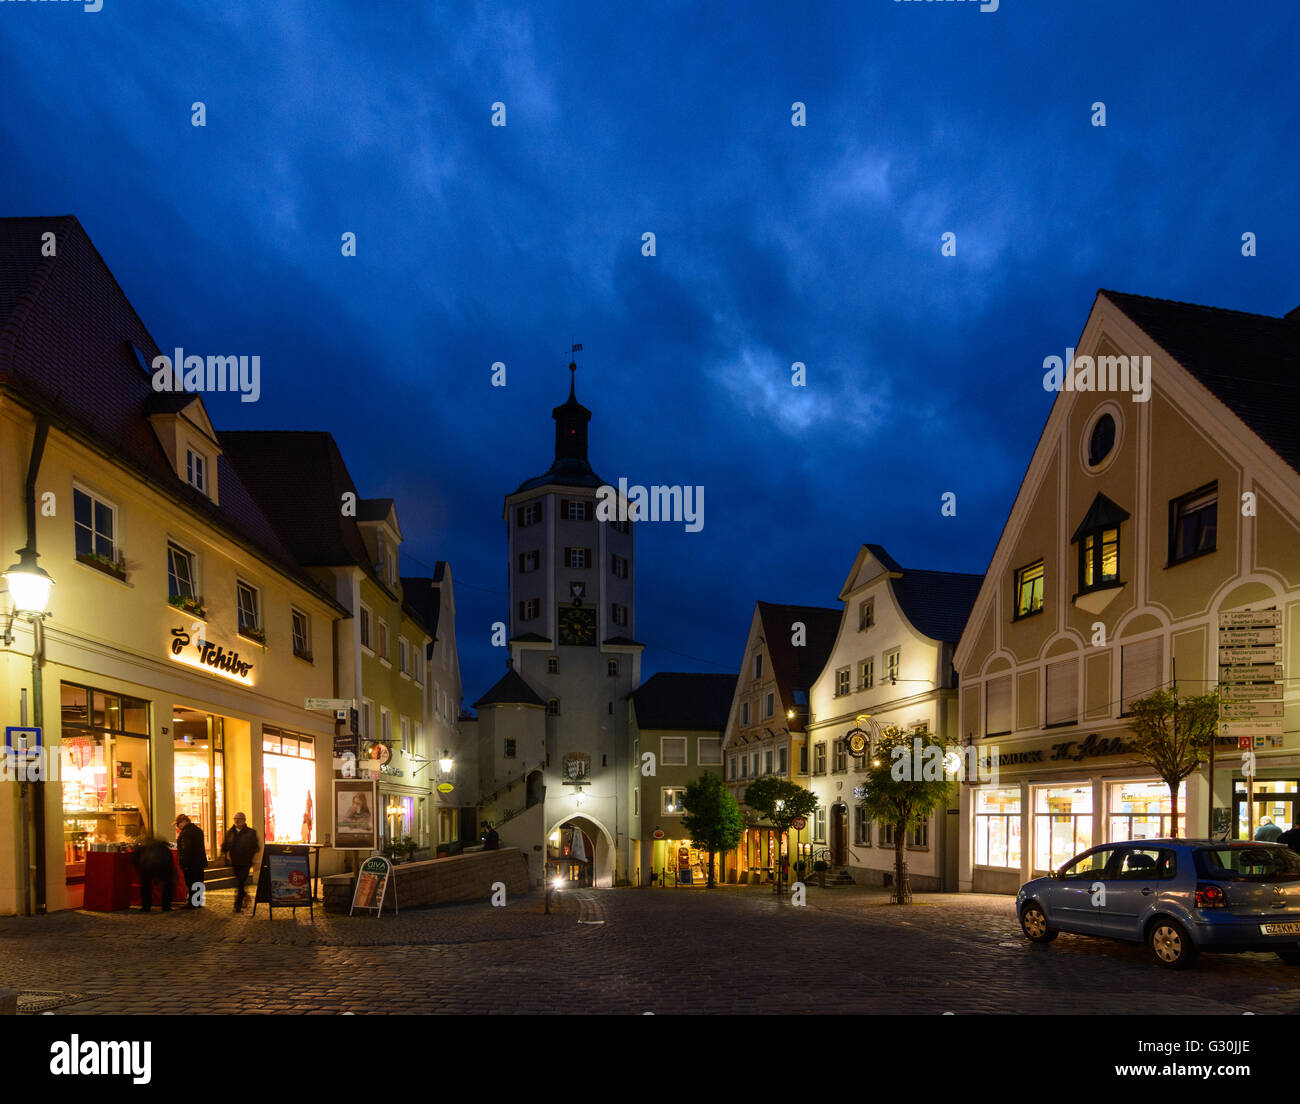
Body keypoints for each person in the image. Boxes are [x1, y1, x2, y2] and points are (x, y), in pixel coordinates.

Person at [221, 812, 260, 912]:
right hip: (234, 862)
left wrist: (256, 861)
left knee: (241, 882)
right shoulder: (230, 832)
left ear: (244, 820)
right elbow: (225, 846)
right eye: (235, 819)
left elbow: (256, 848)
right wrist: (222, 856)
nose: (237, 821)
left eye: (239, 819)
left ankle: (237, 905)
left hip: (246, 862)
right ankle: (244, 896)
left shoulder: (250, 832)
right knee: (240, 882)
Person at [131, 835, 176, 913]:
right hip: (163, 866)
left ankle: (146, 906)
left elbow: (135, 859)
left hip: (147, 867)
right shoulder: (163, 847)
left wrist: (139, 868)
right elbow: (169, 859)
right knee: (167, 885)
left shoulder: (141, 848)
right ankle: (166, 906)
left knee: (146, 886)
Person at [175, 814, 207, 908]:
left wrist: (184, 863)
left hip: (191, 863)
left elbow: (186, 849)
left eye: (178, 824)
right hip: (199, 862)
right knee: (199, 881)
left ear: (185, 822)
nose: (177, 826)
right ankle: (198, 902)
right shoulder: (198, 830)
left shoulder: (186, 833)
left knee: (191, 882)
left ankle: (192, 903)